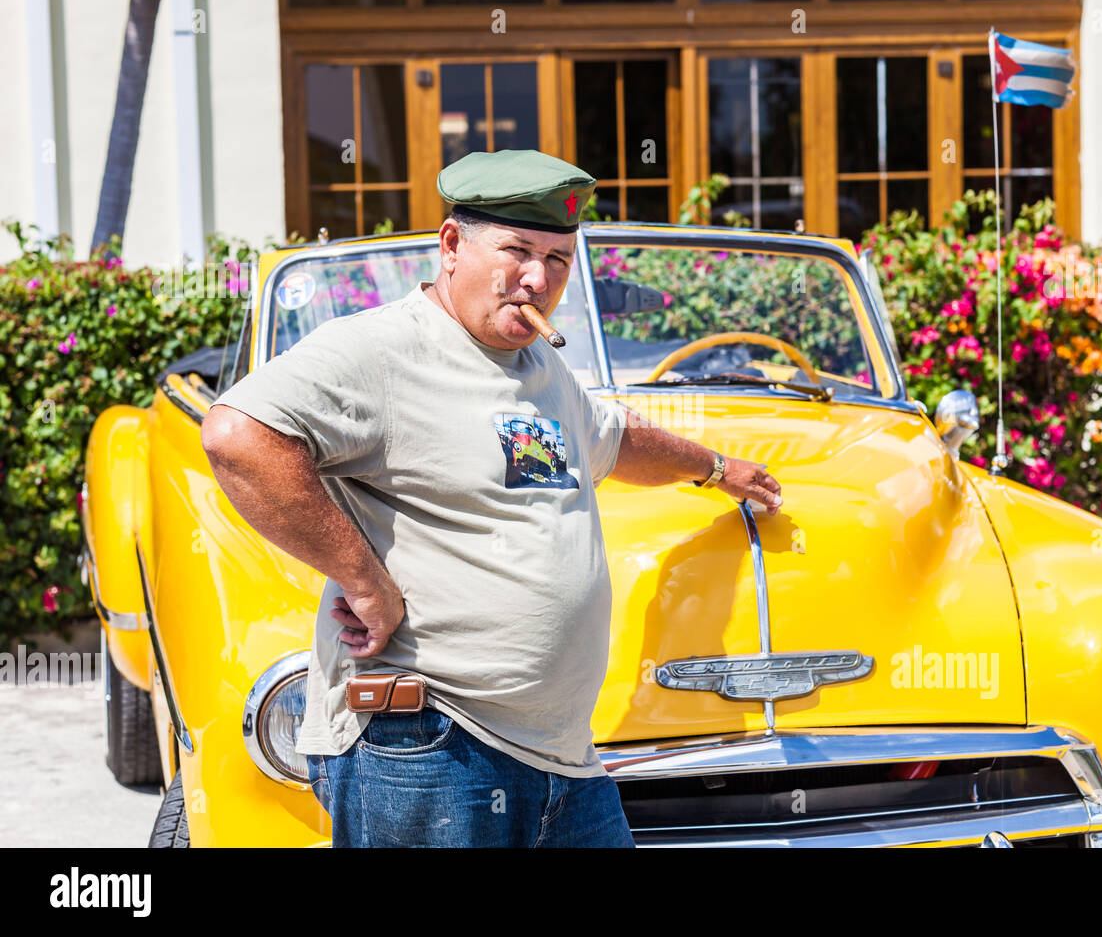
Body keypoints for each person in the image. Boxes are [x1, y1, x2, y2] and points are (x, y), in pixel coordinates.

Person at [201, 149, 782, 847]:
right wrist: (364, 581)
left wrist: (716, 468)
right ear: (452, 246)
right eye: (517, 251)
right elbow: (237, 435)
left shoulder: (537, 364)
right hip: (430, 745)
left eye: (559, 259)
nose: (538, 279)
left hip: (564, 760)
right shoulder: (382, 350)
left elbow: (611, 438)